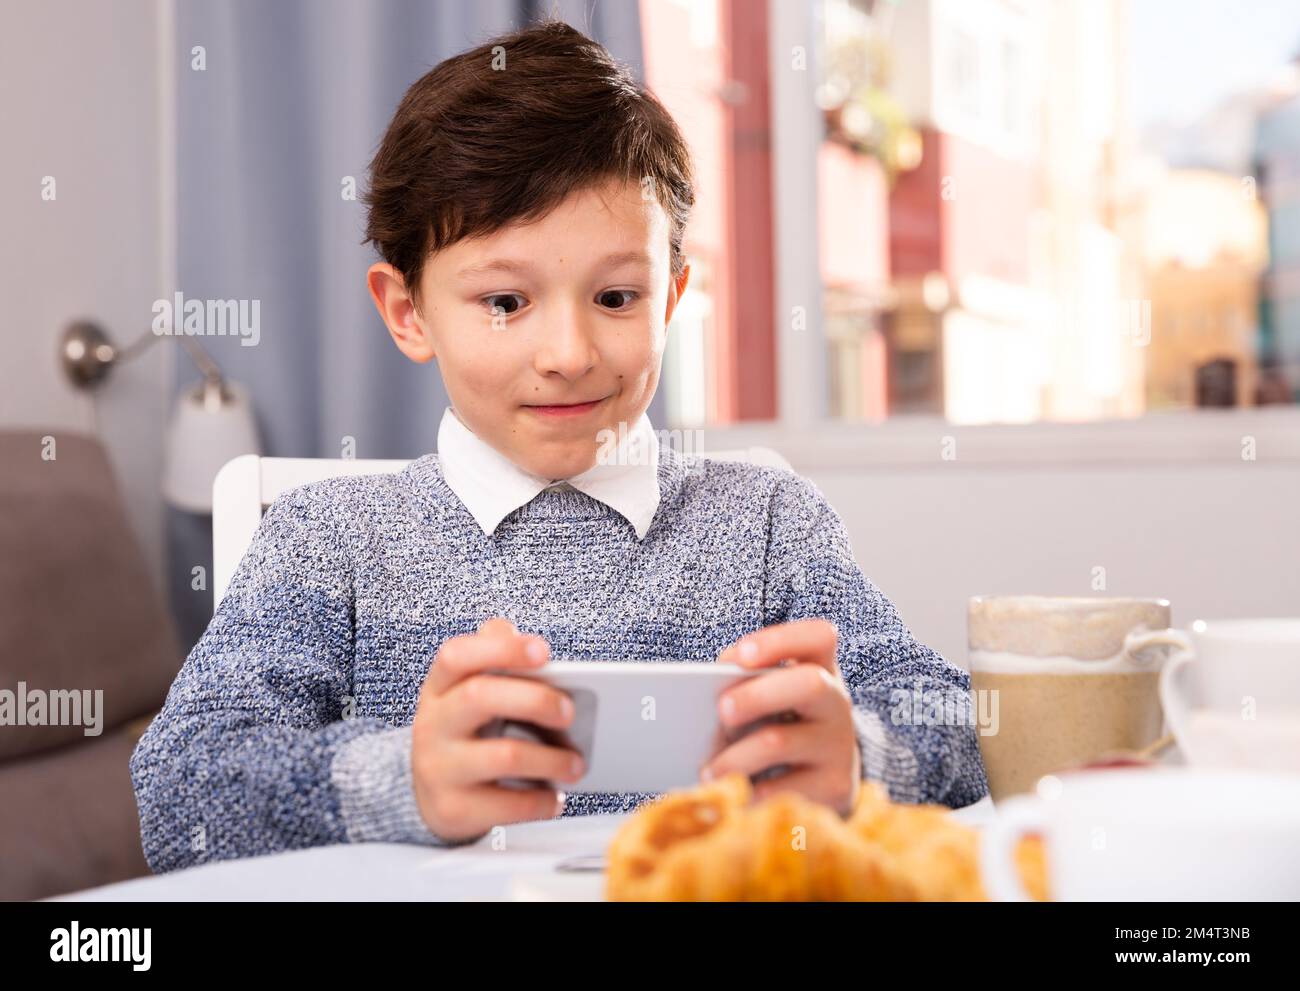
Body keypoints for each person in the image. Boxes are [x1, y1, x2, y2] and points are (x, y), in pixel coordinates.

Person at [129, 19, 988, 874]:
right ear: (408, 312)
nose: (570, 353)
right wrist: (402, 781)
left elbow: (967, 725)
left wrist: (864, 760)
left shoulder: (766, 524)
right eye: (505, 302)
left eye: (617, 296)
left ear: (672, 296)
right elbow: (178, 791)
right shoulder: (328, 537)